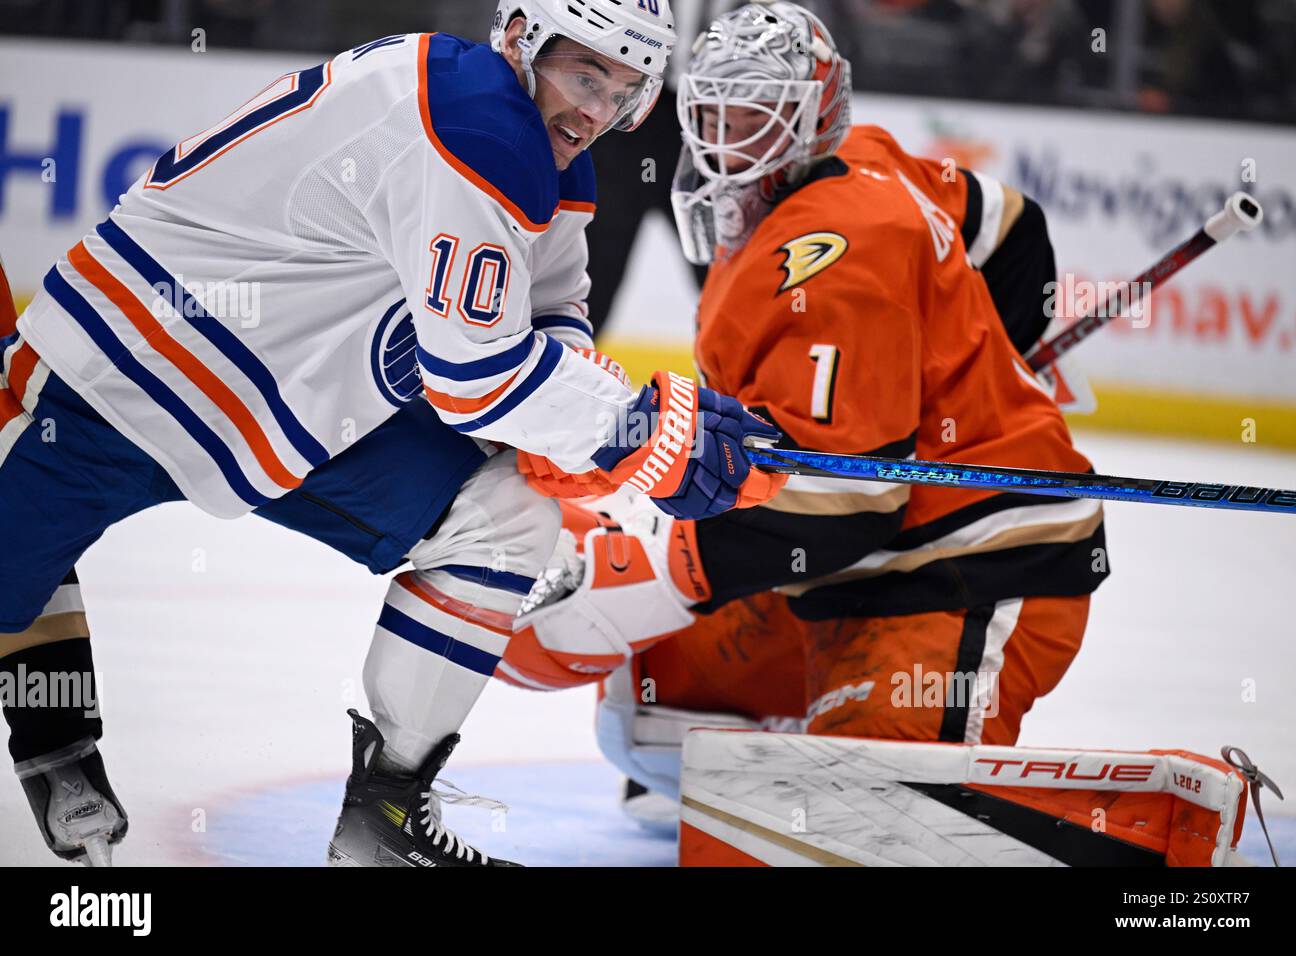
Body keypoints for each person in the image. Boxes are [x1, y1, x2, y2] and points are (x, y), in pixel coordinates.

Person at [0, 0, 785, 868]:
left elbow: (551, 311)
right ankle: (51, 731)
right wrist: (639, 433)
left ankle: (385, 818)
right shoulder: (477, 122)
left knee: (506, 512)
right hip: (119, 375)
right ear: (520, 43)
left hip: (287, 400)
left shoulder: (546, 151)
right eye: (585, 74)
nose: (597, 111)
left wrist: (585, 423)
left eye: (626, 91)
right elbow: (477, 374)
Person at [498, 0, 1109, 809]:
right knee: (653, 698)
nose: (726, 135)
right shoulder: (869, 155)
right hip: (845, 569)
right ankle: (803, 745)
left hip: (963, 563)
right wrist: (975, 353)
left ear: (816, 115)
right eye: (712, 107)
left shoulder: (836, 251)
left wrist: (661, 573)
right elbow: (1011, 227)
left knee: (875, 821)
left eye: (757, 113)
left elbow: (847, 504)